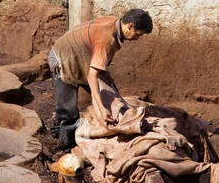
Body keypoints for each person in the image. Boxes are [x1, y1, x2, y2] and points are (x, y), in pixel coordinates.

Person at [49, 9, 153, 149]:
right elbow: (92, 76)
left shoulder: (115, 22)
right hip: (61, 58)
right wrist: (102, 108)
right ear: (130, 26)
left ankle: (68, 129)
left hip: (78, 54)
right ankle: (66, 144)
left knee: (108, 88)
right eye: (137, 34)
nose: (137, 38)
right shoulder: (107, 41)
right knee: (68, 107)